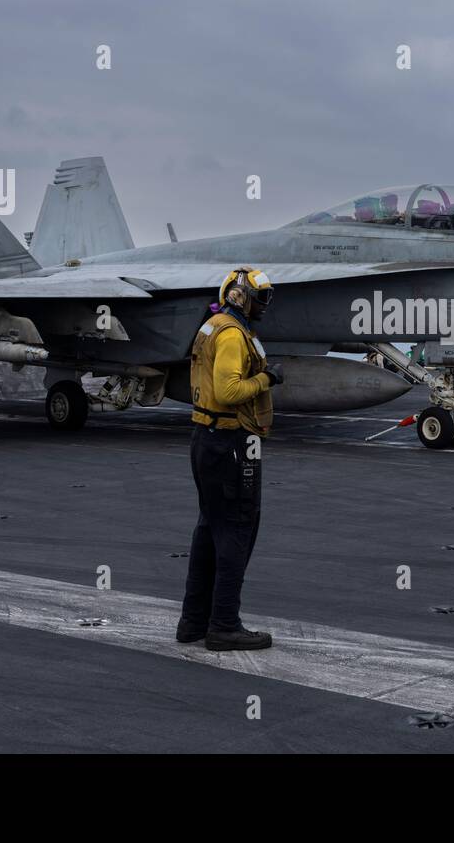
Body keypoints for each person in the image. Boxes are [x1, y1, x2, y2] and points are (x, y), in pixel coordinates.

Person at [177, 267, 285, 651]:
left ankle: (193, 622)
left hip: (206, 439)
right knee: (237, 529)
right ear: (241, 296)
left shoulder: (214, 324)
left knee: (210, 528)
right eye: (261, 298)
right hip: (231, 443)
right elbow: (228, 390)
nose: (265, 306)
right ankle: (224, 624)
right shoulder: (232, 335)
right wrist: (268, 379)